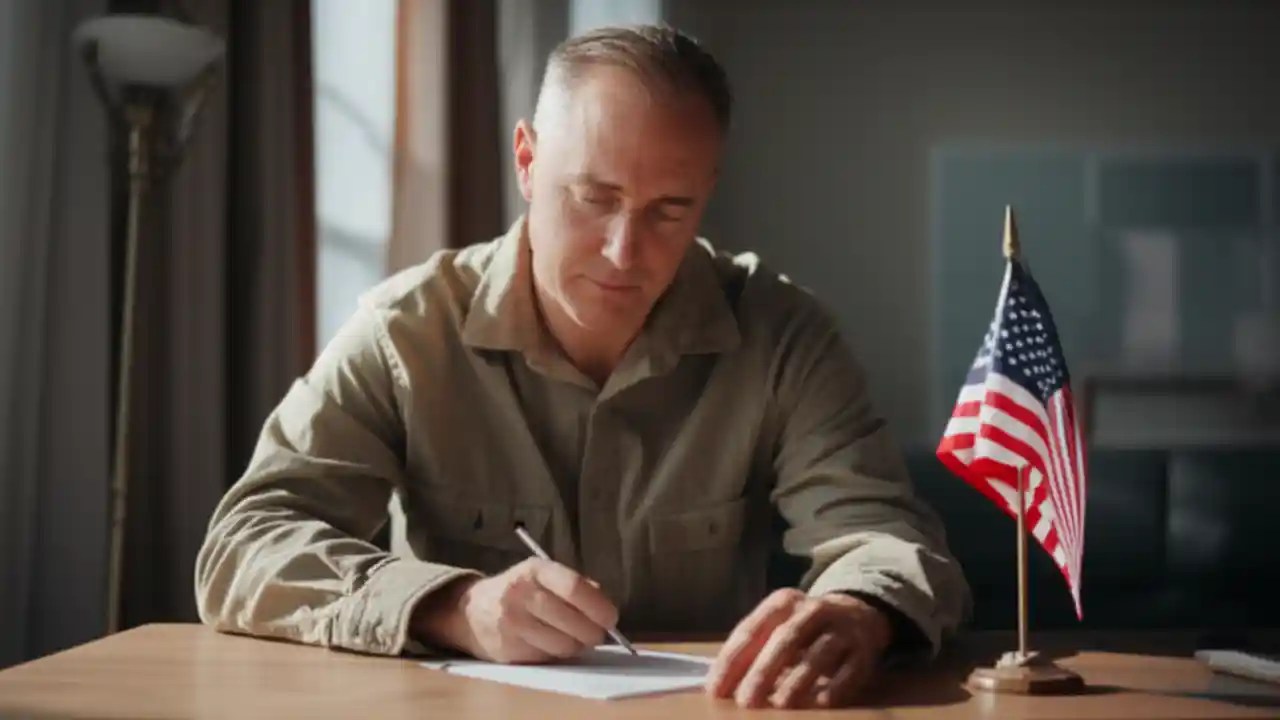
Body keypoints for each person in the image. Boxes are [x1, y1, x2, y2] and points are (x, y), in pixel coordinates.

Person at [195, 24, 969, 709]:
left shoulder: (784, 336)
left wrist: (862, 611)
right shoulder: (406, 333)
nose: (624, 253)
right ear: (527, 161)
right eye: (594, 197)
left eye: (670, 209)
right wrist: (450, 605)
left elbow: (887, 539)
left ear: (708, 191)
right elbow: (246, 543)